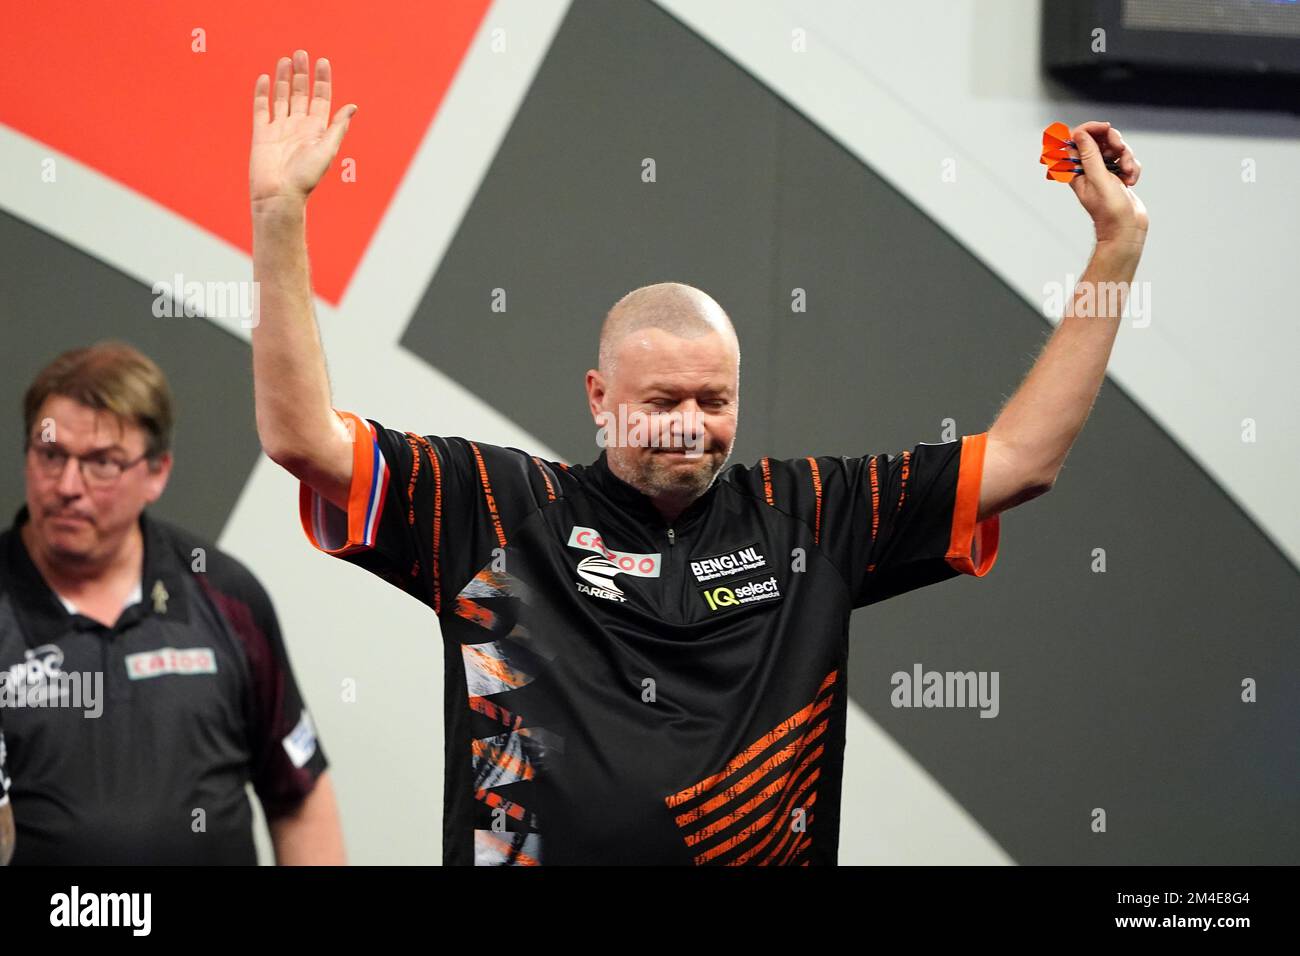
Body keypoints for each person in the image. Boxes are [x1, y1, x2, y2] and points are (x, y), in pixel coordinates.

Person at [249, 51, 1146, 864]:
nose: (689, 424)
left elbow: (1024, 460)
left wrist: (1117, 248)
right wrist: (279, 213)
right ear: (599, 398)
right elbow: (303, 438)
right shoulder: (495, 506)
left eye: (714, 401)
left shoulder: (816, 518)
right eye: (660, 402)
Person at [0, 342, 344, 864]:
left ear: (157, 472)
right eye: (51, 455)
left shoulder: (224, 595)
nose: (67, 486)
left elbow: (297, 797)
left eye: (101, 463)